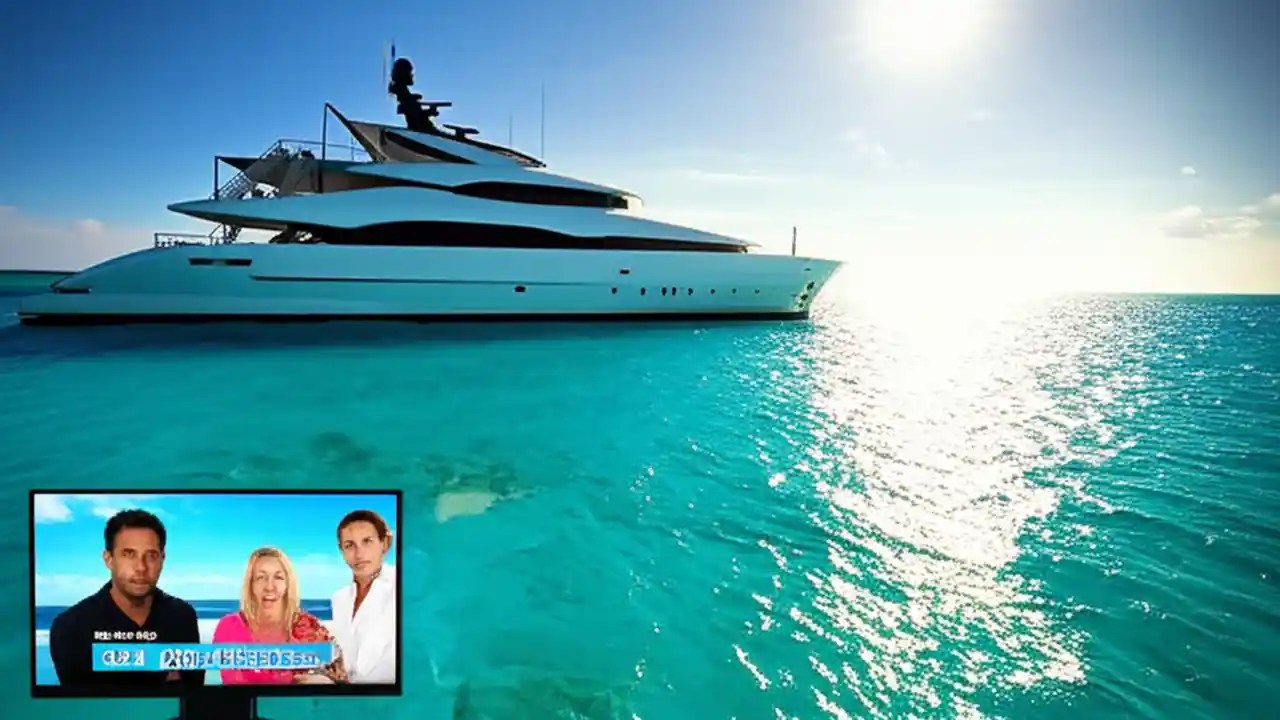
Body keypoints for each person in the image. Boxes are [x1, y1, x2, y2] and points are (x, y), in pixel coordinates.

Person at [48, 509, 204, 687]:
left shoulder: (182, 616)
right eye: (129, 554)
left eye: (151, 556)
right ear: (108, 559)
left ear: (162, 559)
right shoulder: (71, 627)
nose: (141, 567)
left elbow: (190, 696)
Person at [212, 547, 346, 684]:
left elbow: (341, 683)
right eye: (261, 577)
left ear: (288, 584)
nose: (270, 586)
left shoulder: (310, 629)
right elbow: (233, 685)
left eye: (278, 577)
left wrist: (323, 682)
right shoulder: (230, 626)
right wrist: (292, 681)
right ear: (250, 584)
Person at [329, 509, 397, 684]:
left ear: (385, 543)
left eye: (367, 542)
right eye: (350, 545)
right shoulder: (339, 599)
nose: (359, 554)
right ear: (341, 550)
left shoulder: (403, 588)